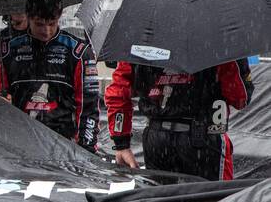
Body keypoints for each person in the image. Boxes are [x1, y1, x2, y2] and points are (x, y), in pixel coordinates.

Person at [105, 59, 254, 180]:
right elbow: (240, 98)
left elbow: (118, 92)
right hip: (203, 140)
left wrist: (121, 143)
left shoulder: (142, 32)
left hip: (156, 139)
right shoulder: (218, 34)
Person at [0, 0, 100, 152]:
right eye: (39, 24)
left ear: (59, 17)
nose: (46, 31)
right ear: (28, 17)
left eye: (52, 23)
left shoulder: (78, 52)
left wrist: (87, 149)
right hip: (20, 142)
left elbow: (88, 106)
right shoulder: (8, 50)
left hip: (63, 144)